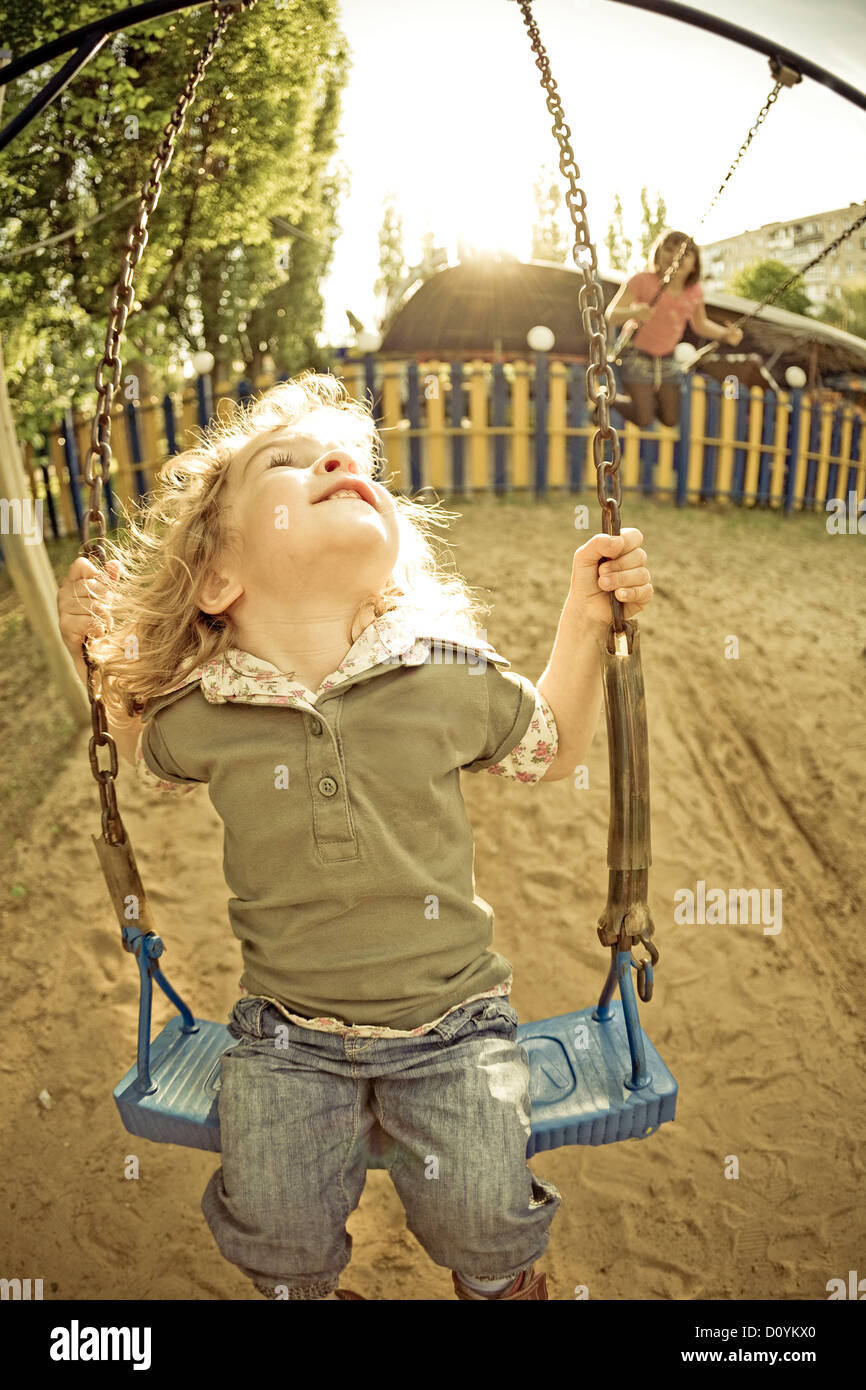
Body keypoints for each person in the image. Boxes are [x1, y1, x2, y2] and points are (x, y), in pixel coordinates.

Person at [57, 371, 654, 1302]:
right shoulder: (209, 711)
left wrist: (587, 612)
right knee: (274, 1230)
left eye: (351, 460)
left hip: (453, 1023)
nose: (337, 461)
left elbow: (553, 746)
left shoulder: (444, 672)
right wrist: (91, 651)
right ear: (220, 577)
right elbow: (131, 742)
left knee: (484, 1219)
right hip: (285, 1034)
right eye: (287, 465)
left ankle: (500, 1287)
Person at [600, 229, 744, 428]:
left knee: (670, 419)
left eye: (684, 253)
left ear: (695, 264)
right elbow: (611, 314)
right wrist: (635, 312)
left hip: (667, 358)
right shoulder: (642, 280)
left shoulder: (694, 292)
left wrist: (725, 334)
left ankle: (646, 404)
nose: (675, 256)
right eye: (668, 249)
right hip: (636, 355)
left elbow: (700, 324)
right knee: (643, 418)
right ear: (658, 254)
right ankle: (606, 400)